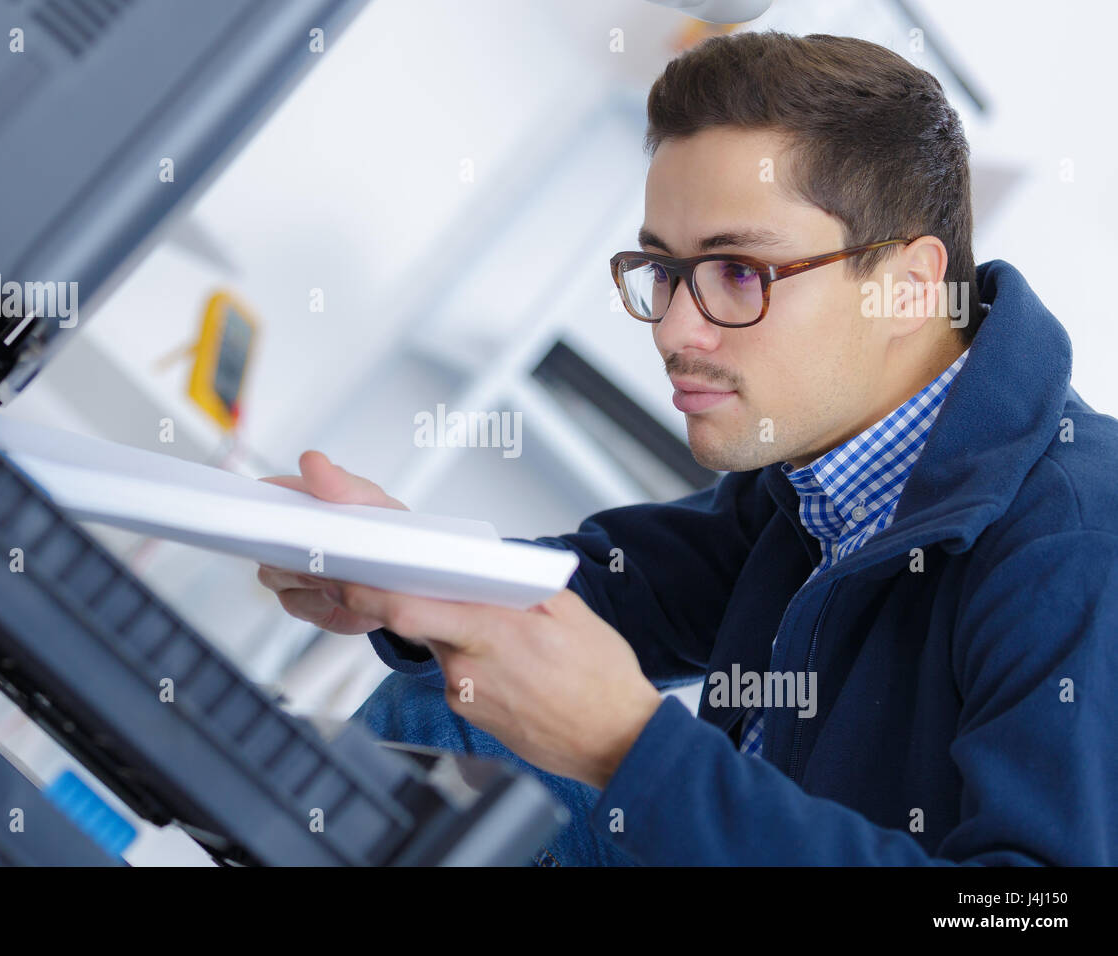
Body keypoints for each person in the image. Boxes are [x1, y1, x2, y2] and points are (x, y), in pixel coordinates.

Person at [256, 31, 1118, 866]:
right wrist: (413, 574)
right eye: (662, 270)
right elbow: (625, 589)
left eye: (739, 271)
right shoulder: (823, 468)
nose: (673, 327)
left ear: (907, 286)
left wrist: (631, 749)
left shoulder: (1077, 544)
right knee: (449, 710)